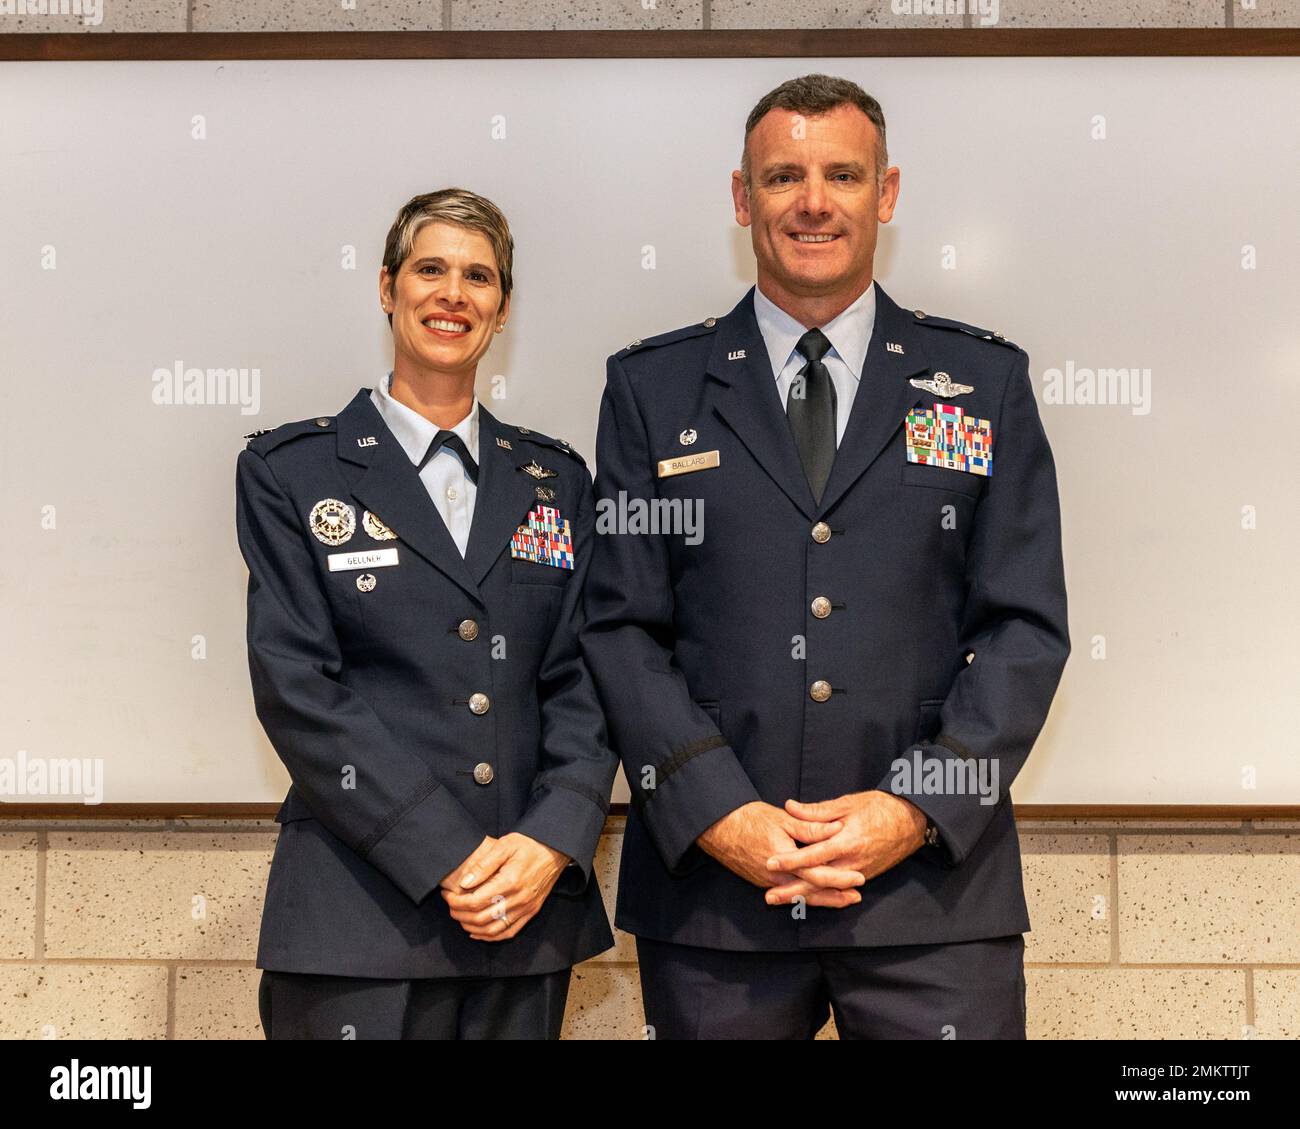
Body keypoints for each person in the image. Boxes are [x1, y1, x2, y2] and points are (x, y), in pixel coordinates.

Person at [582, 74, 1070, 1039]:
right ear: (741, 198)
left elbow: (1024, 628)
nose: (813, 201)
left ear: (885, 194)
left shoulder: (980, 383)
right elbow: (621, 626)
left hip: (933, 899)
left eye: (842, 174)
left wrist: (912, 808)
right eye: (783, 177)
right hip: (717, 897)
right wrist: (721, 812)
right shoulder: (652, 389)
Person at [236, 188, 616, 1039]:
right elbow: (297, 686)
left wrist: (552, 840)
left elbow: (583, 679)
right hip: (356, 921)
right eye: (430, 269)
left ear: (503, 306)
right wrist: (446, 851)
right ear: (386, 287)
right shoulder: (292, 472)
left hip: (521, 919)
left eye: (478, 276)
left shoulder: (557, 481)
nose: (454, 294)